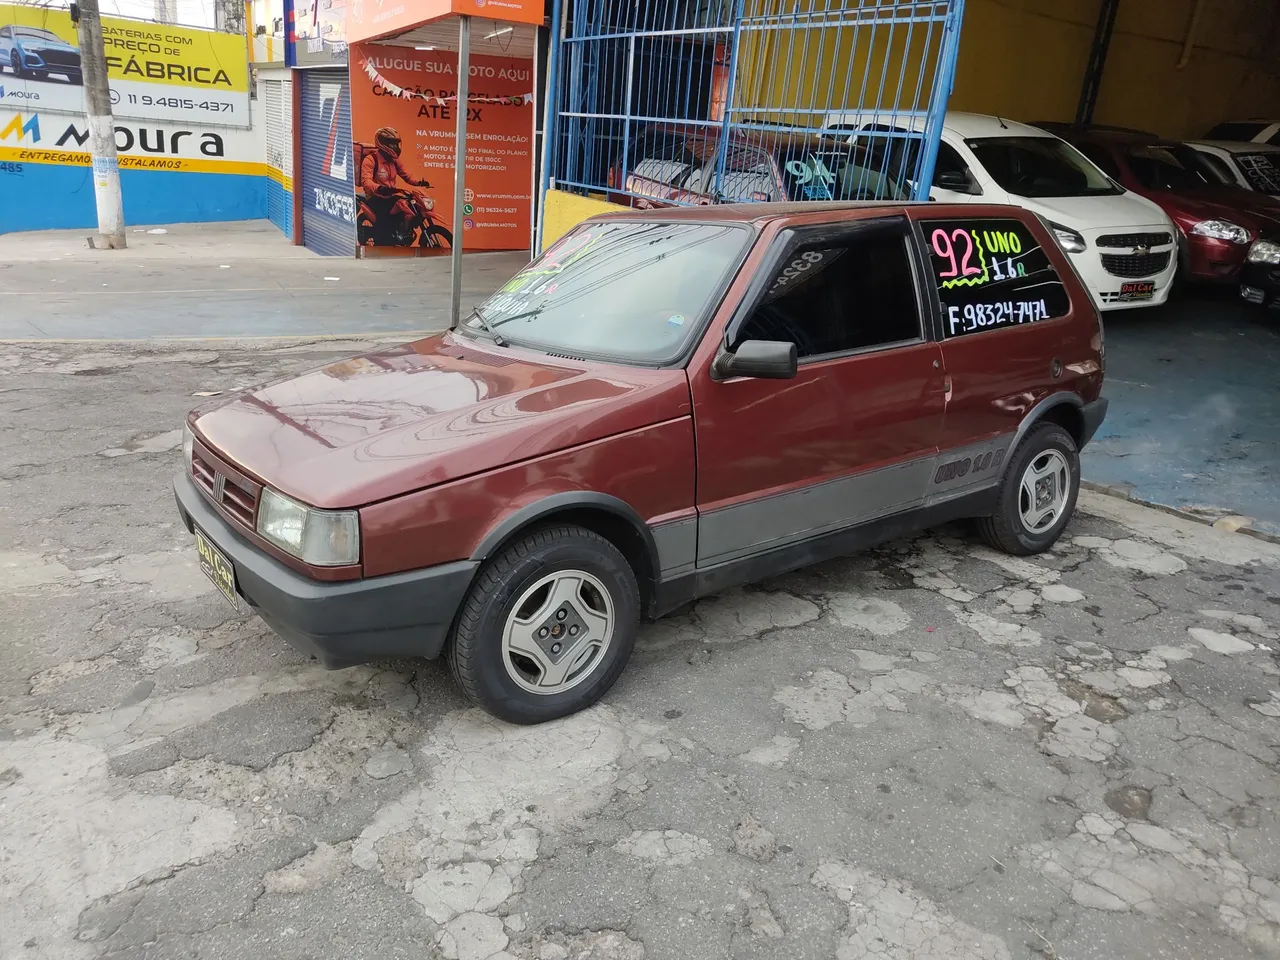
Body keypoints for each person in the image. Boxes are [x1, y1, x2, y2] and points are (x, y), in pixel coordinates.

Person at [360, 127, 433, 241]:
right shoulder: (371, 160)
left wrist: (418, 182)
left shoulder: (394, 160)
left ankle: (403, 231)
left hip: (390, 196)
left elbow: (406, 175)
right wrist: (379, 188)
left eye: (396, 144)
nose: (396, 147)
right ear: (383, 143)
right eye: (392, 144)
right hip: (375, 197)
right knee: (384, 222)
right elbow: (366, 181)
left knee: (409, 205)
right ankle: (382, 240)